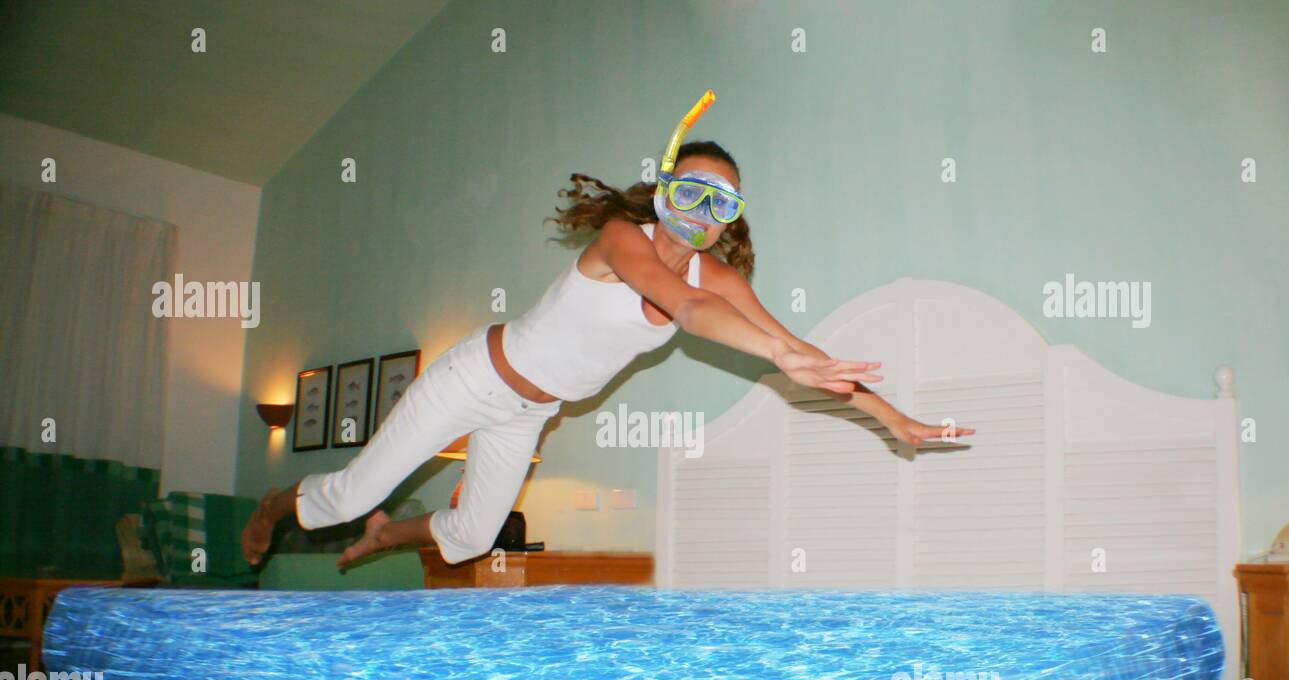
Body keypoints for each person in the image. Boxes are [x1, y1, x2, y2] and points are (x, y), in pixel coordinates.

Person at [240, 93, 972, 571]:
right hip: (476, 378)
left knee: (470, 539)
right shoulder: (624, 237)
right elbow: (683, 313)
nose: (700, 209)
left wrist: (891, 420)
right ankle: (281, 504)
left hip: (531, 413)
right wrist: (777, 355)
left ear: (727, 216)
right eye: (689, 189)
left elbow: (808, 356)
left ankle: (386, 533)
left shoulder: (721, 279)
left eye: (718, 200)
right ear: (666, 191)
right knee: (337, 500)